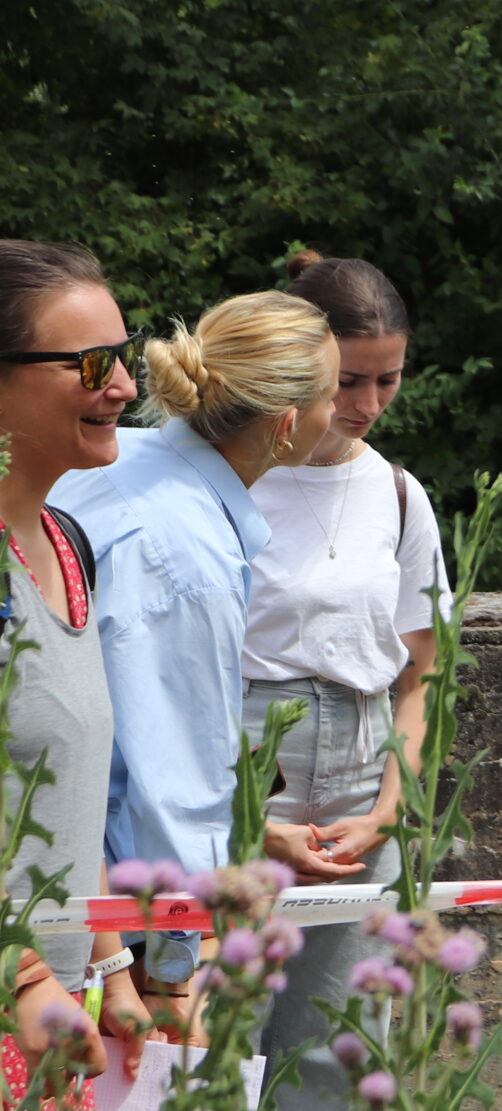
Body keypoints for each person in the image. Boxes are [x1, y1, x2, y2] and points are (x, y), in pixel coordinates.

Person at [55, 290, 342, 1028]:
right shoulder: (190, 558)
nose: (338, 411)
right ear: (285, 424)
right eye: (332, 393)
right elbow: (165, 774)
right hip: (120, 933)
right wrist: (173, 965)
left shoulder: (124, 463)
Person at [237, 250, 449, 1111]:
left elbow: (422, 675)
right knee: (218, 1039)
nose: (366, 402)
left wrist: (391, 806)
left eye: (387, 378)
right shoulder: (232, 478)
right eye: (346, 380)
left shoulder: (401, 495)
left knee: (338, 1044)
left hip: (365, 781)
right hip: (247, 769)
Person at [0, 241, 159, 1111]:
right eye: (90, 361)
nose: (123, 386)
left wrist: (106, 958)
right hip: (12, 1007)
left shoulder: (68, 546)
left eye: (125, 356)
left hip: (44, 1022)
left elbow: (70, 793)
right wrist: (18, 975)